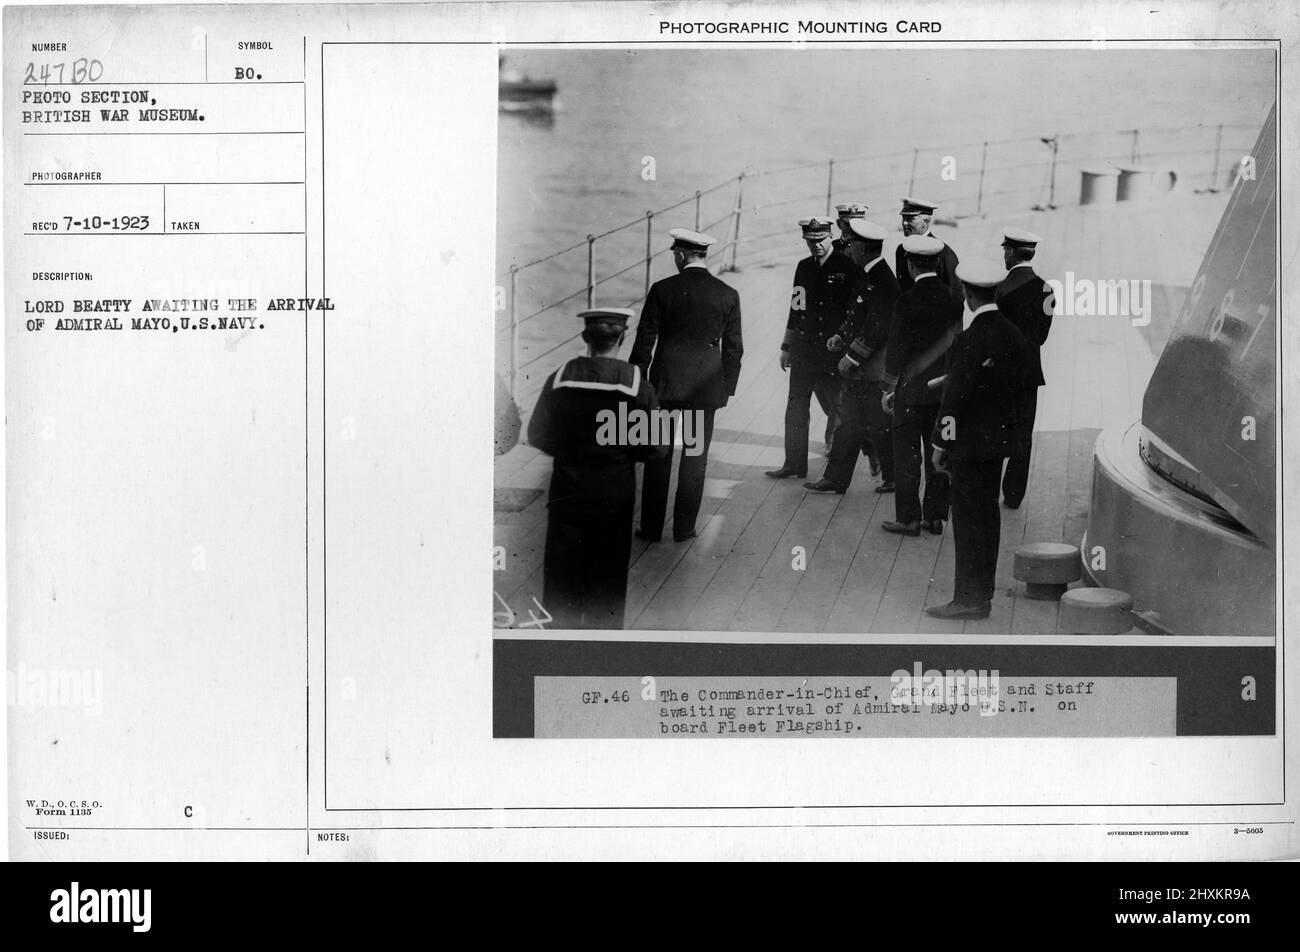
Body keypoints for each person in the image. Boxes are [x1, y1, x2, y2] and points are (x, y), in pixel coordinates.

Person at [528, 308, 665, 629]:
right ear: (623, 337)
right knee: (607, 590)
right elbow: (657, 447)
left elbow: (537, 434)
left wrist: (571, 453)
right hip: (613, 499)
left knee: (561, 589)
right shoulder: (635, 384)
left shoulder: (560, 378)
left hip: (566, 496)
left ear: (585, 337)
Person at [925, 262, 1030, 620]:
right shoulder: (1013, 333)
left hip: (969, 446)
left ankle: (967, 599)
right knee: (988, 517)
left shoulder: (969, 339)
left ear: (968, 295)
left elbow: (956, 400)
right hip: (998, 441)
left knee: (968, 521)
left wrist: (940, 445)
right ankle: (982, 594)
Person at [629, 228, 743, 542]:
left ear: (680, 255)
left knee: (657, 455)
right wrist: (726, 388)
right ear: (704, 255)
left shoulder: (662, 289)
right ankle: (684, 528)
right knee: (695, 456)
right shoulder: (727, 294)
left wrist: (636, 383)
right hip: (704, 389)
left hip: (663, 386)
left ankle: (651, 528)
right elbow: (734, 348)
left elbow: (644, 342)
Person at [805, 218, 900, 494]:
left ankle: (893, 477)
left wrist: (853, 358)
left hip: (872, 369)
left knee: (878, 424)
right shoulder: (869, 275)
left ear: (862, 248)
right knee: (849, 422)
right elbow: (857, 314)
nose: (847, 249)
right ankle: (835, 477)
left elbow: (877, 327)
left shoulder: (883, 280)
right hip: (863, 368)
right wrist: (841, 336)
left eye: (851, 244)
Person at [880, 234, 963, 536]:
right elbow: (957, 344)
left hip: (910, 393)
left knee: (906, 456)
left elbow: (896, 348)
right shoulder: (955, 300)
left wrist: (888, 387)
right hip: (941, 393)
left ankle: (909, 518)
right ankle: (935, 516)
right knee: (938, 454)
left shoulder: (906, 301)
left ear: (911, 265)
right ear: (939, 262)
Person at [766, 216, 856, 479]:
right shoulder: (803, 267)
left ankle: (835, 471)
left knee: (838, 409)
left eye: (820, 240)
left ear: (830, 236)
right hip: (804, 350)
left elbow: (853, 311)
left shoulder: (847, 266)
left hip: (832, 352)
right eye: (810, 240)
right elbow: (796, 308)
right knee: (796, 407)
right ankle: (794, 463)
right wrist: (786, 345)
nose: (816, 245)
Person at [995, 226, 1055, 508]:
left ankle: (989, 488)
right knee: (1023, 435)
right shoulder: (1047, 289)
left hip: (998, 372)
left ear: (1010, 252)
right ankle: (1014, 494)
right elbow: (1041, 336)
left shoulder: (999, 288)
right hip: (1029, 373)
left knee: (993, 430)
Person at [894, 197, 961, 295]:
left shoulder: (943, 252)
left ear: (926, 221)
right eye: (903, 217)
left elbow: (956, 294)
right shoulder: (901, 250)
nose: (904, 223)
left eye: (910, 219)